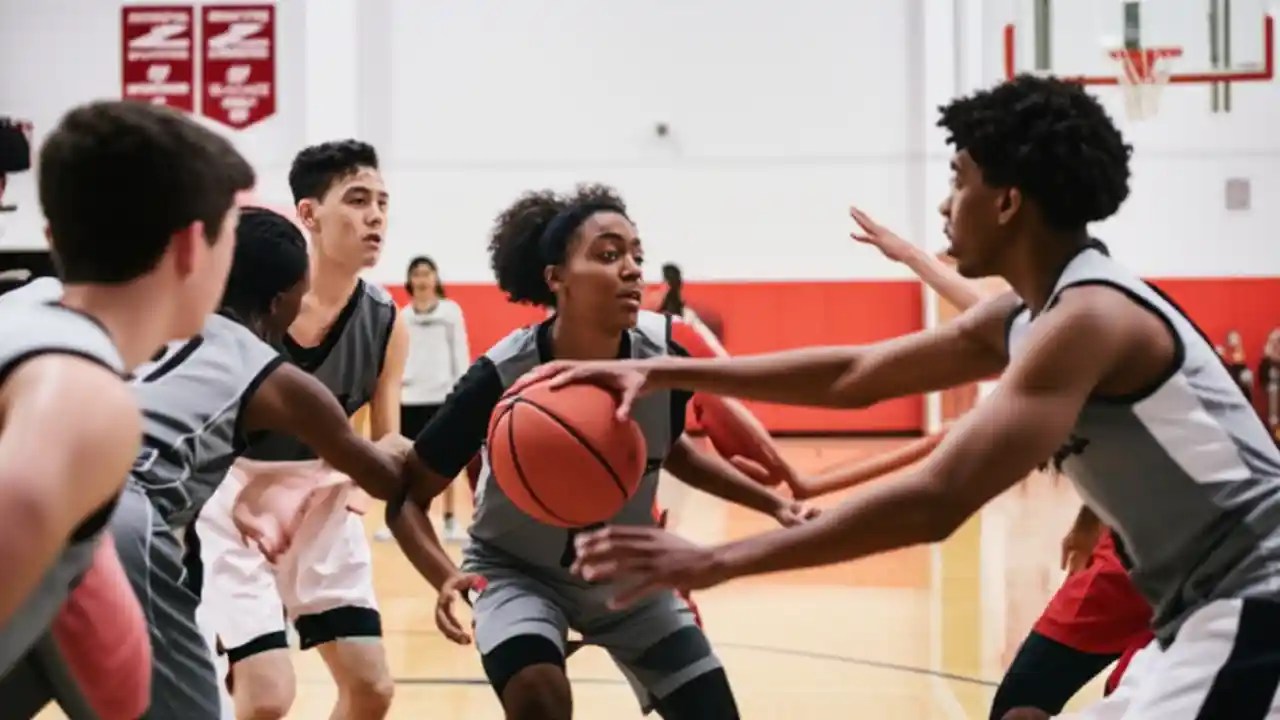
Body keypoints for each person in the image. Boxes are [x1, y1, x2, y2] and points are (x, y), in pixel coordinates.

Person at [551, 75, 1280, 719]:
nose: (943, 203)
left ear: (1007, 202)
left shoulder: (1087, 318)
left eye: (958, 179)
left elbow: (938, 500)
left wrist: (722, 560)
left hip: (1256, 599)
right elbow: (856, 375)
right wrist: (674, 373)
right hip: (1200, 612)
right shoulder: (1029, 315)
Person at [386, 184, 814, 720]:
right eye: (609, 255)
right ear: (556, 279)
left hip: (629, 573)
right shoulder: (501, 375)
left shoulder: (666, 356)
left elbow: (671, 449)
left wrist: (772, 504)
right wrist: (444, 576)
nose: (633, 268)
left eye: (637, 255)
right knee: (539, 696)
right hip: (516, 571)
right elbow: (406, 498)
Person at [110, 207, 431, 718]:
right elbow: (383, 473)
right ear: (281, 301)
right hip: (145, 531)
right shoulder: (276, 379)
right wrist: (408, 448)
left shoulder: (159, 328)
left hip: (72, 508)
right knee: (243, 699)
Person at [0, 100, 253, 715]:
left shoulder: (22, 320)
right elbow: (24, 505)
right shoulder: (83, 391)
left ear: (53, 236)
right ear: (193, 246)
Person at [195, 140, 407, 720]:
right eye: (357, 200)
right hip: (233, 504)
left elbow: (387, 437)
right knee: (267, 696)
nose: (375, 217)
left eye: (383, 203)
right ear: (309, 214)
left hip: (323, 503)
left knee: (372, 689)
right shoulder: (249, 307)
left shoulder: (387, 320)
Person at [393, 255, 470, 541]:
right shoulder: (402, 316)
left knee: (446, 463)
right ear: (410, 281)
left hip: (443, 397)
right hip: (409, 397)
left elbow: (460, 352)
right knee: (406, 463)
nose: (422, 280)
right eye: (417, 275)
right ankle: (402, 517)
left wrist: (461, 391)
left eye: (427, 274)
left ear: (436, 279)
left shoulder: (451, 313)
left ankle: (450, 521)